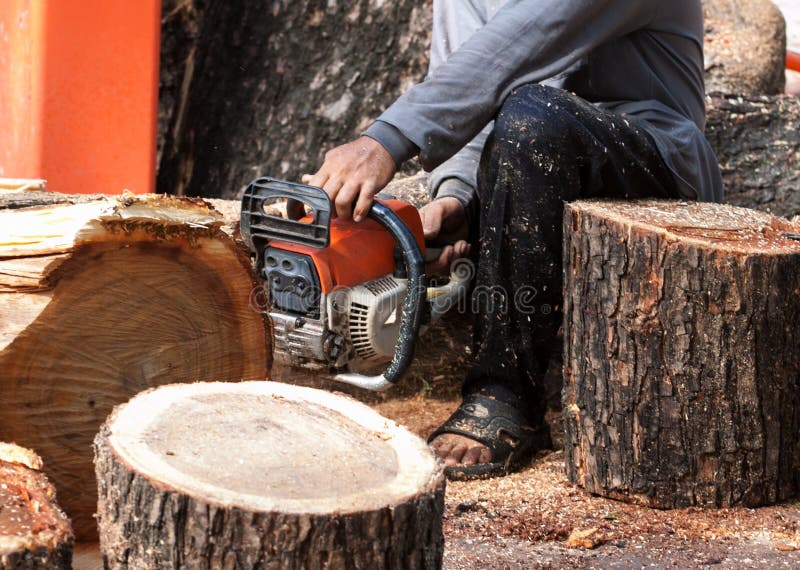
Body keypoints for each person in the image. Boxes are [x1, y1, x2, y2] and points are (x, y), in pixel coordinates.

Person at [302, 0, 723, 479]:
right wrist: (459, 196)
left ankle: (503, 392)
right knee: (523, 125)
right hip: (533, 147)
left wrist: (386, 140)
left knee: (531, 115)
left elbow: (528, 37)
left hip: (654, 151)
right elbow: (474, 76)